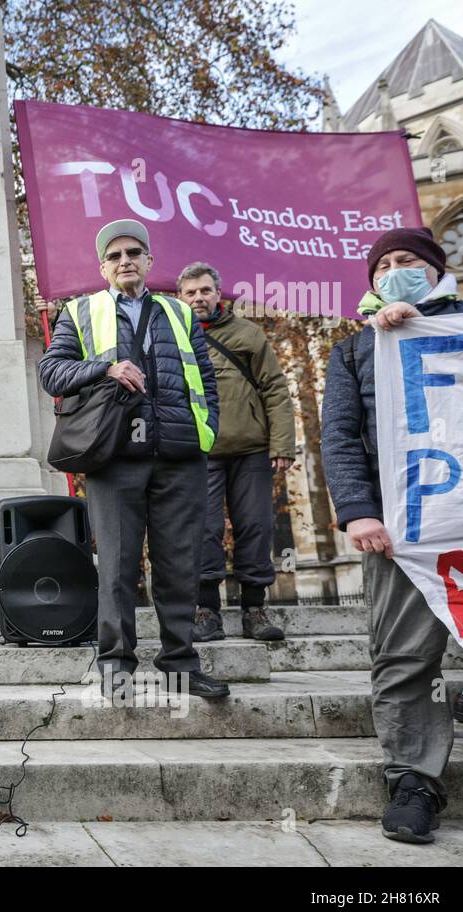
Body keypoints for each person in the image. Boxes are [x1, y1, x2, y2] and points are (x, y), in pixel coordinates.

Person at [323, 226, 463, 843]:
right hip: (405, 530)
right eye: (384, 264)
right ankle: (413, 782)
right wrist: (358, 511)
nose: (395, 270)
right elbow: (339, 437)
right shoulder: (356, 350)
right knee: (403, 657)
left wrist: (427, 321)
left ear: (437, 269)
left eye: (409, 261)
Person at [38, 219, 228, 700]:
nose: (126, 261)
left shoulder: (181, 314)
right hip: (114, 457)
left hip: (179, 456)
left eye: (134, 253)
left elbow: (204, 379)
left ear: (149, 261)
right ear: (102, 267)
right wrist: (105, 367)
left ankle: (180, 663)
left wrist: (204, 435)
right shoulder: (79, 312)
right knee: (118, 567)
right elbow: (52, 371)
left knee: (178, 567)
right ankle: (116, 666)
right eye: (116, 255)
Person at [176, 262, 296, 642]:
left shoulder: (248, 333)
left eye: (205, 290)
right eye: (191, 292)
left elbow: (275, 390)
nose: (199, 298)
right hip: (199, 452)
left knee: (256, 528)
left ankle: (255, 610)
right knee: (204, 530)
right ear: (181, 297)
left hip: (251, 451)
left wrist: (282, 445)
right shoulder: (173, 337)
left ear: (219, 293)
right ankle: (206, 611)